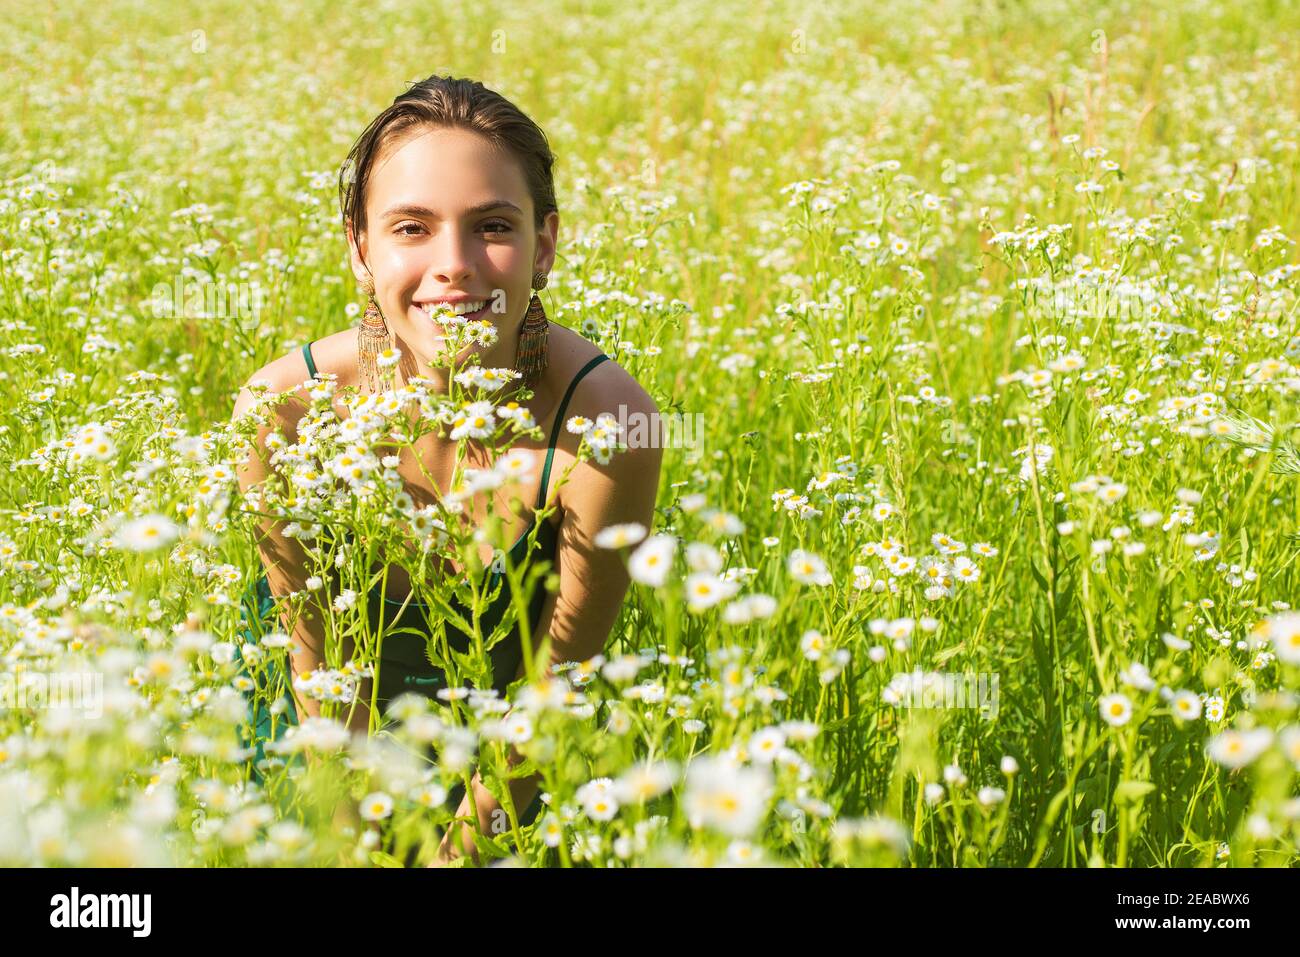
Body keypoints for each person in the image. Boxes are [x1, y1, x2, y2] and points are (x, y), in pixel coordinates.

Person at [230, 74, 663, 865]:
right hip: (320, 751)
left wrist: (456, 853)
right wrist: (347, 834)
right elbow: (313, 661)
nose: (454, 264)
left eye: (492, 226)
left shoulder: (607, 424)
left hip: (510, 780)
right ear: (361, 249)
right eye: (412, 228)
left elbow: (560, 687)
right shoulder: (284, 412)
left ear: (544, 245)